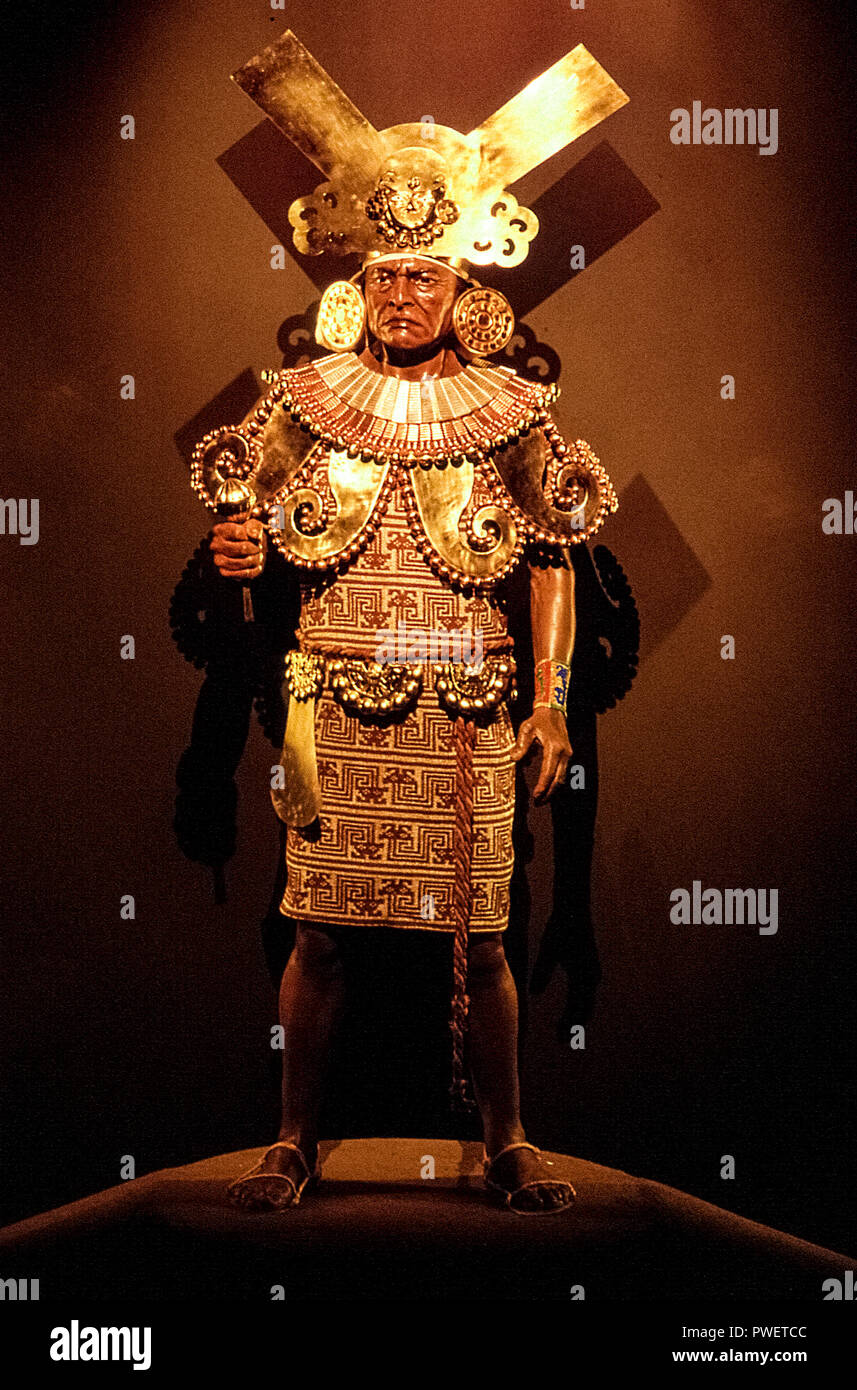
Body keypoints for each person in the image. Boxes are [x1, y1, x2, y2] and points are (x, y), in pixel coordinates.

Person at [189, 31, 622, 1214]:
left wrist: (547, 700)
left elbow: (549, 557)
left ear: (460, 285)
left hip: (468, 707)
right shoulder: (302, 400)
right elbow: (246, 518)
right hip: (334, 706)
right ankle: (290, 1137)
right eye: (382, 272)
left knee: (480, 941)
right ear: (355, 281)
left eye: (422, 274)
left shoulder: (511, 407)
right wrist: (234, 544)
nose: (400, 293)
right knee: (317, 936)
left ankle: (506, 1140)